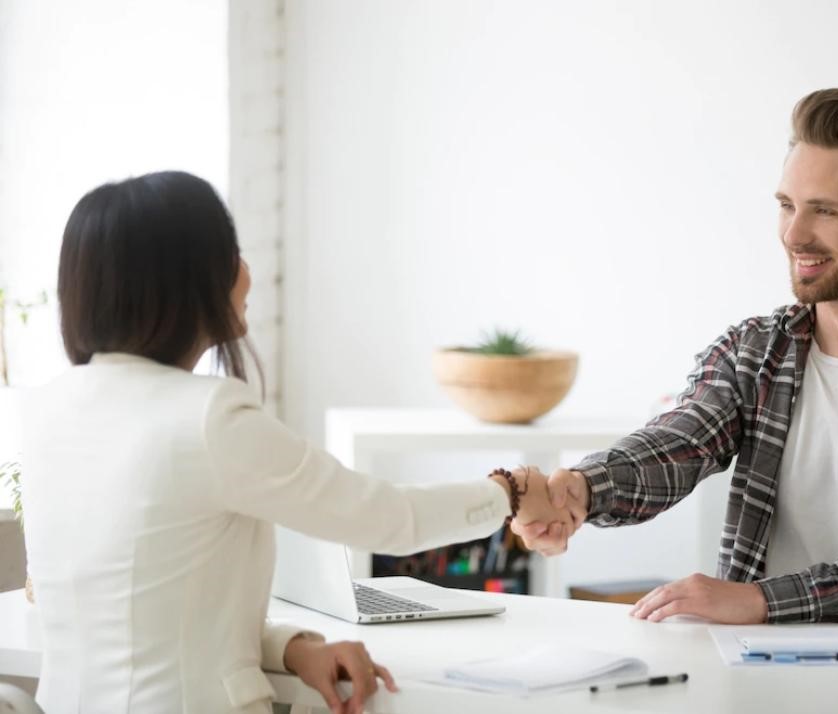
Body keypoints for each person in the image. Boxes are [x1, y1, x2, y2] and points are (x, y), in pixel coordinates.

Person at [20, 171, 572, 714]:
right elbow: (389, 517)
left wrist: (293, 647)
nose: (245, 271)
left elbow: (144, 618)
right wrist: (512, 492)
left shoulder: (47, 409)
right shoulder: (208, 417)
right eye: (230, 252)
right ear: (189, 278)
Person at [513, 87, 838, 634]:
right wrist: (584, 489)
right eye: (786, 205)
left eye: (824, 211)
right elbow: (680, 441)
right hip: (754, 673)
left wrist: (759, 601)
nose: (793, 234)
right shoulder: (755, 350)